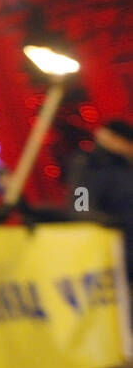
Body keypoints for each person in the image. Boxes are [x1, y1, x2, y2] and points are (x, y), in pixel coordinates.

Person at [69, 119, 133, 280]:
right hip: (116, 247)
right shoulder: (88, 165)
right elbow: (80, 206)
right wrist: (108, 221)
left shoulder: (122, 165)